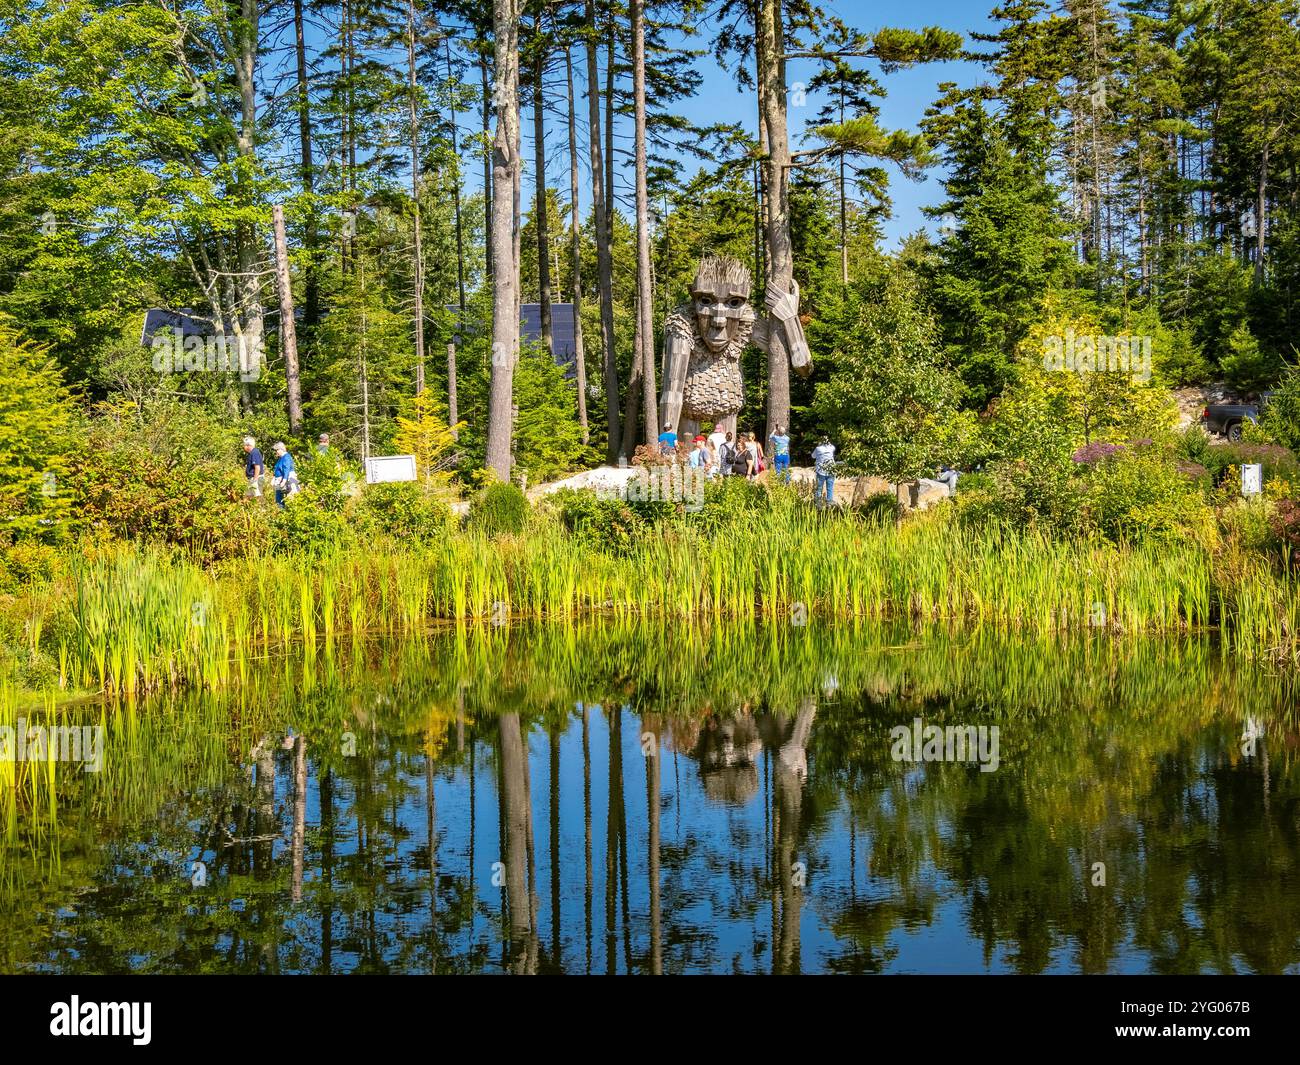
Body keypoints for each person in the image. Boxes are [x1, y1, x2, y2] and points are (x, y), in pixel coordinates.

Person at [271, 441, 300, 508]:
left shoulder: (286, 457)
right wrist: (274, 478)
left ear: (281, 449)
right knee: (279, 498)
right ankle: (281, 511)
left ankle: (288, 513)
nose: (276, 452)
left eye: (277, 450)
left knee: (290, 497)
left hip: (288, 479)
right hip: (280, 479)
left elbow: (286, 469)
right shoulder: (281, 458)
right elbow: (277, 469)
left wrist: (284, 480)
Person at [812, 435, 836, 507]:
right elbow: (831, 446)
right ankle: (829, 501)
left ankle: (818, 503)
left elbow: (813, 456)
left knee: (819, 488)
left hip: (820, 471)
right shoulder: (832, 448)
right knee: (830, 487)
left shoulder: (818, 448)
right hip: (831, 470)